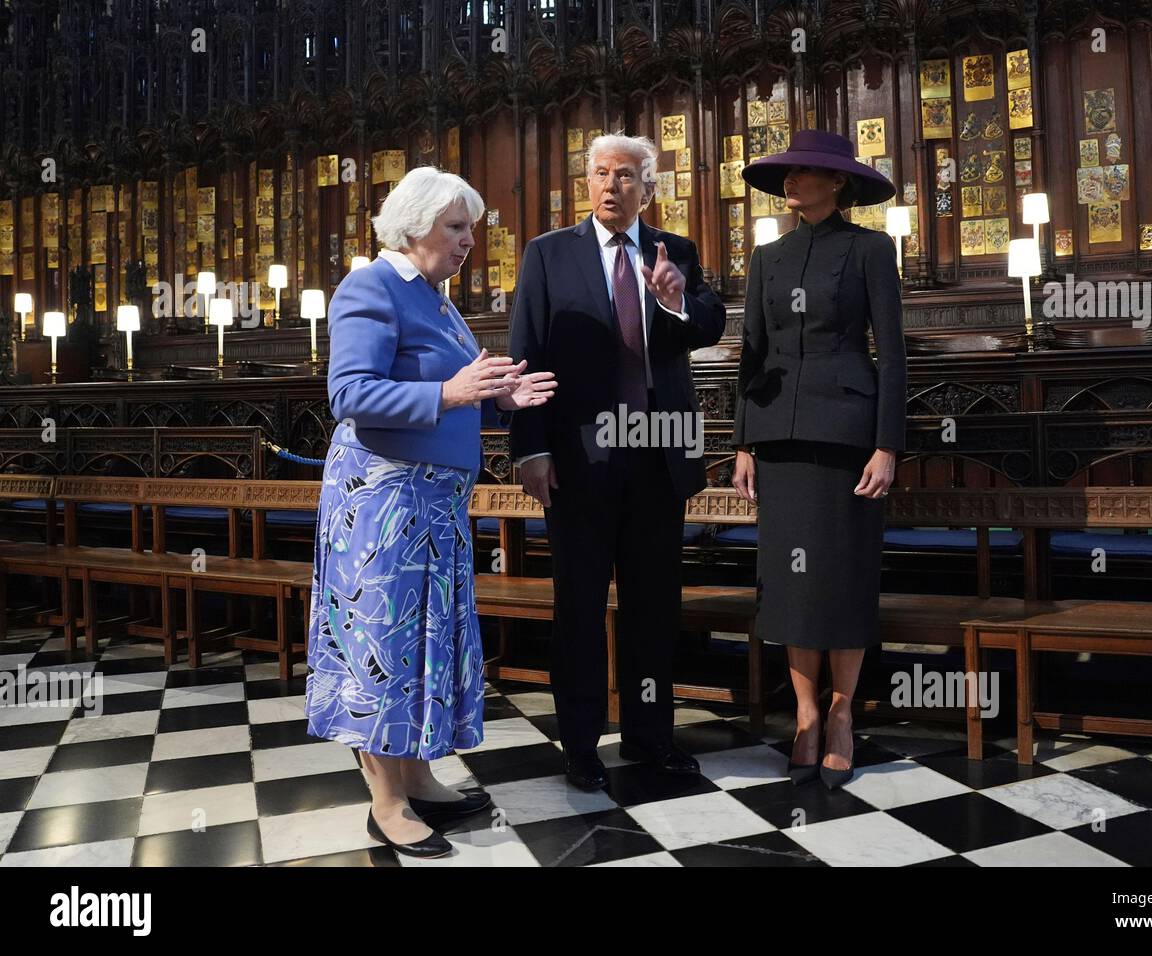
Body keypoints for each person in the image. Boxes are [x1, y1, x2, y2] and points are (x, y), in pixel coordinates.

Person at [304, 166, 556, 857]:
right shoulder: (370, 286)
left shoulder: (437, 301)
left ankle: (416, 776)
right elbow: (350, 394)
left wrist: (497, 393)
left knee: (421, 647)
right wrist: (451, 392)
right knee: (381, 646)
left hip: (433, 505)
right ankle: (386, 803)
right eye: (455, 226)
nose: (469, 240)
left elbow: (452, 386)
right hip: (382, 501)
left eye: (470, 227)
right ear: (413, 225)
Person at [507, 133, 726, 790]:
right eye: (600, 173)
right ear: (587, 182)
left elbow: (711, 325)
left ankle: (650, 738)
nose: (611, 185)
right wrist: (532, 447)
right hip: (580, 458)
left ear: (647, 188)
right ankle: (579, 743)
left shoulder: (675, 251)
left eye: (626, 175)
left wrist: (676, 300)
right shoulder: (548, 255)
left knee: (654, 609)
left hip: (657, 455)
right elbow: (527, 354)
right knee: (577, 607)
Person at [730, 130, 907, 789]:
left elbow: (891, 351)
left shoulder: (869, 249)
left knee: (843, 577)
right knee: (792, 583)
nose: (793, 180)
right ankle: (803, 714)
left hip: (848, 441)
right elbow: (751, 352)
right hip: (779, 441)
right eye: (789, 171)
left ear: (837, 183)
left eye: (806, 172)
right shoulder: (767, 258)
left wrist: (887, 444)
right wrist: (743, 442)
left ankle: (841, 714)